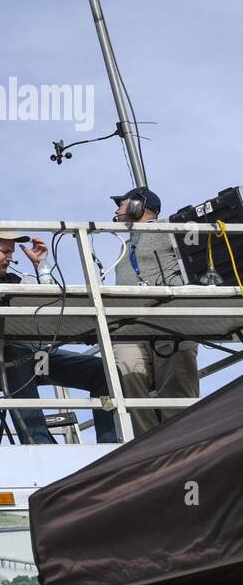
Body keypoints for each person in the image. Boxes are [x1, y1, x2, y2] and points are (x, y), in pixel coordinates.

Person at [0, 228, 118, 444]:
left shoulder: (14, 280)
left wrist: (41, 266)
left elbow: (46, 307)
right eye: (4, 251)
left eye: (12, 252)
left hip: (30, 356)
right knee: (14, 356)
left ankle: (112, 447)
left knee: (101, 371)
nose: (10, 258)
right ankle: (41, 445)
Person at [110, 187, 200, 437]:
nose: (116, 209)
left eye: (122, 203)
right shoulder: (124, 245)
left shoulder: (170, 230)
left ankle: (183, 442)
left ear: (139, 206)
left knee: (176, 388)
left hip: (169, 319)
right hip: (130, 325)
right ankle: (147, 442)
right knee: (126, 372)